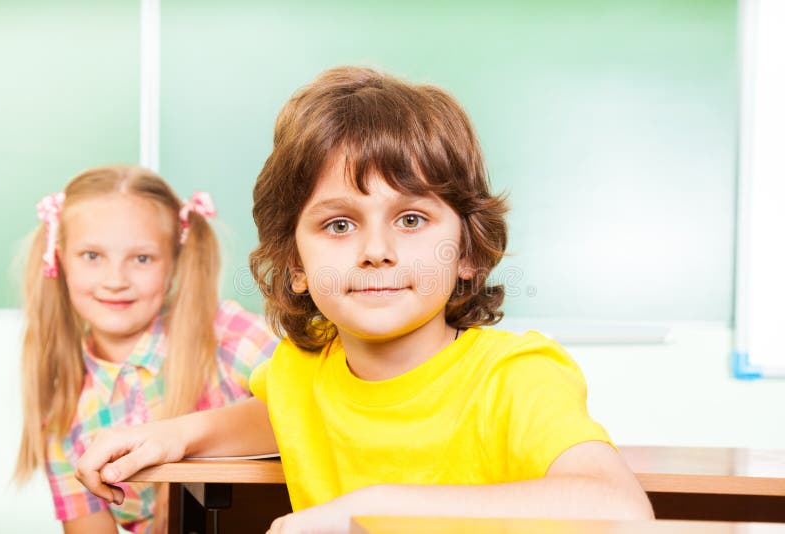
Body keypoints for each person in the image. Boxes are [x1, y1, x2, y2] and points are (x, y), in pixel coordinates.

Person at [75, 68, 653, 533]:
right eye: (338, 225)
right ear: (296, 265)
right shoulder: (302, 371)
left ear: (468, 252)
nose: (376, 250)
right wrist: (175, 434)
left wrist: (371, 510)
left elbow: (620, 508)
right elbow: (279, 417)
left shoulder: (515, 377)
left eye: (410, 218)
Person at [13, 165, 277, 533]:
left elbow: (314, 402)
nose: (116, 280)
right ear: (59, 258)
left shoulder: (230, 336)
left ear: (174, 262)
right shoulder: (62, 413)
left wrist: (188, 437)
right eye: (92, 255)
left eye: (141, 259)